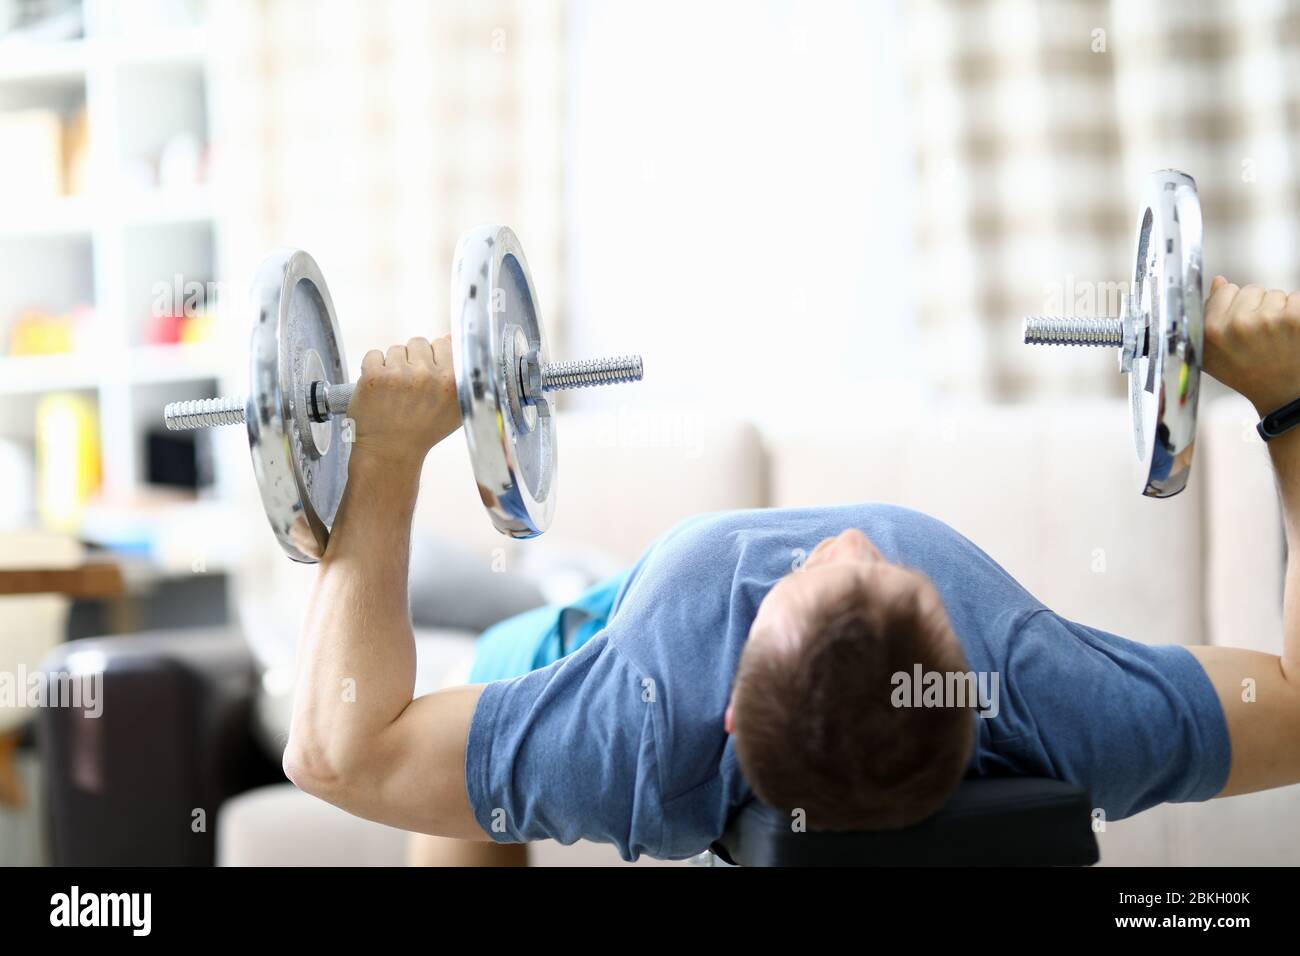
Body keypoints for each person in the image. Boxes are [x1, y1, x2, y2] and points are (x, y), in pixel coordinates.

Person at [282, 277, 1300, 865]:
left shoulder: (639, 714)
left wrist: (383, 457)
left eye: (804, 581)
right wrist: (1287, 402)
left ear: (724, 705)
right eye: (889, 574)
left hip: (583, 630)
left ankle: (541, 594)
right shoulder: (1040, 688)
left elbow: (333, 752)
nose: (843, 541)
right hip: (599, 599)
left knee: (486, 678)